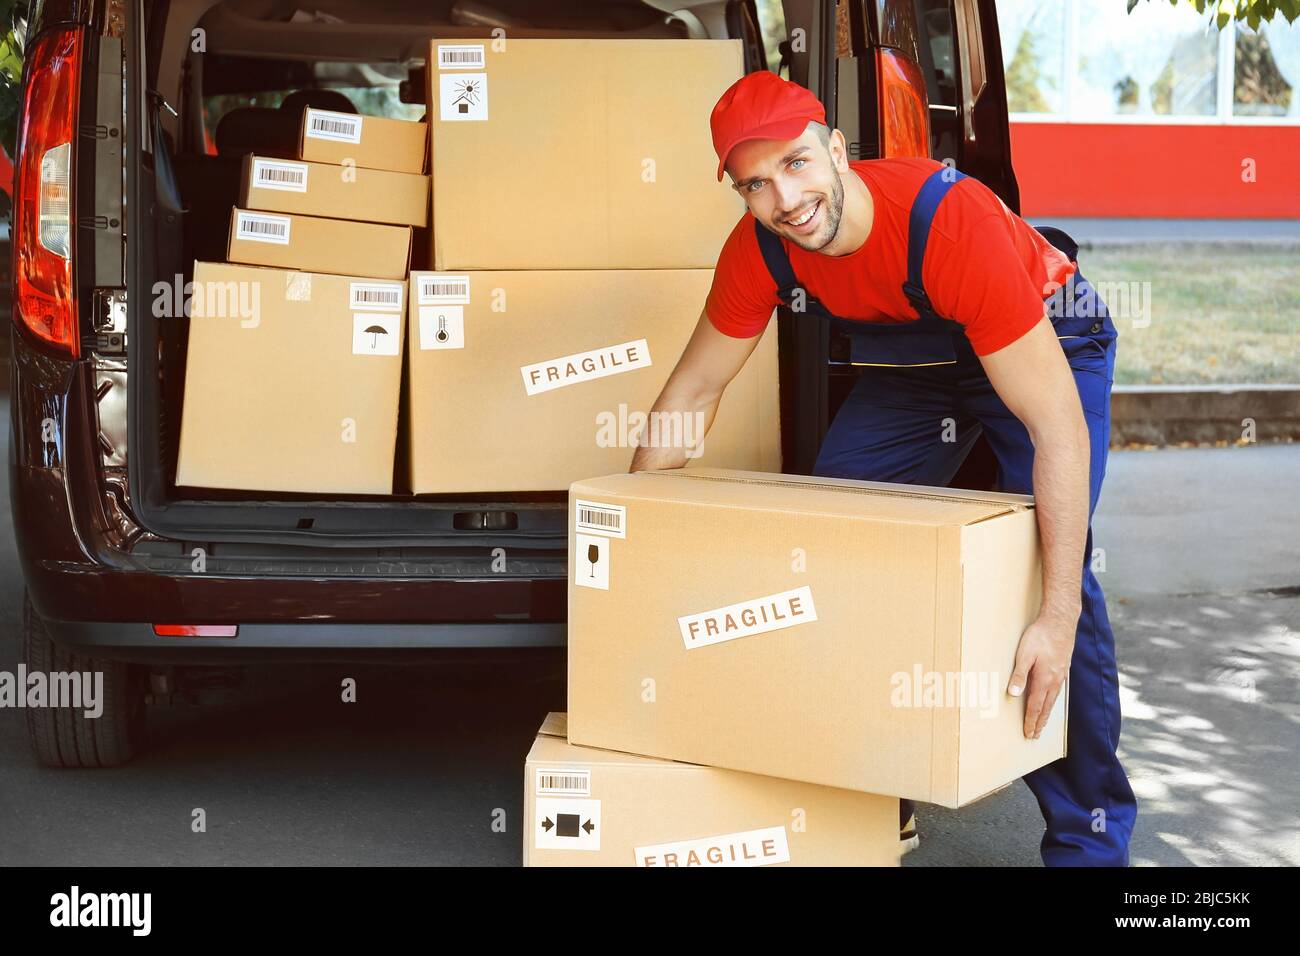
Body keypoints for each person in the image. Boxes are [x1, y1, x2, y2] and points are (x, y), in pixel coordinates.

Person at [629, 70, 1137, 867]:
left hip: (1049, 343)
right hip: (921, 365)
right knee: (842, 550)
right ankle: (875, 794)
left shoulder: (947, 218)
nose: (785, 199)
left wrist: (1058, 608)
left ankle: (1089, 843)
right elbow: (693, 390)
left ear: (837, 148)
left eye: (797, 163)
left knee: (1044, 575)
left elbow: (1056, 429)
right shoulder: (761, 249)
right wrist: (637, 554)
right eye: (755, 184)